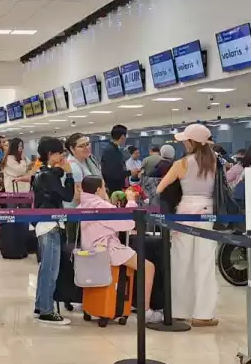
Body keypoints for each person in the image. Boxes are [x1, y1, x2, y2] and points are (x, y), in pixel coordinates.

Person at [157, 124, 219, 326]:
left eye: (185, 140)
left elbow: (160, 188)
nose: (183, 142)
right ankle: (203, 314)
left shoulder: (182, 163)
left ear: (192, 142)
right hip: (208, 213)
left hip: (184, 214)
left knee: (181, 262)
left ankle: (179, 310)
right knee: (205, 264)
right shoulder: (216, 162)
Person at [78, 175, 159, 322]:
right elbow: (128, 224)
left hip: (90, 251)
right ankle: (145, 311)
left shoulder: (82, 204)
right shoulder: (101, 206)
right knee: (148, 267)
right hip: (108, 250)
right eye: (104, 187)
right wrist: (131, 201)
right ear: (98, 190)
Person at [30, 136, 74, 325]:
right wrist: (70, 175)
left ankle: (41, 305)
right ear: (50, 154)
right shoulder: (48, 175)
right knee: (50, 269)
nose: (62, 155)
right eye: (59, 152)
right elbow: (67, 194)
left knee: (45, 268)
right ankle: (47, 311)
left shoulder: (43, 173)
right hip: (49, 225)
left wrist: (61, 171)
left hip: (44, 224)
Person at [101, 125, 129, 193]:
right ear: (122, 137)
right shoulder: (111, 150)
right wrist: (130, 173)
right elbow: (113, 173)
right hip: (113, 189)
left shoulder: (114, 149)